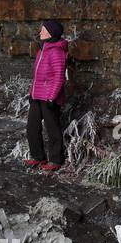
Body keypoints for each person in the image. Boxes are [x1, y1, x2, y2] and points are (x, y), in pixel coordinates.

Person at [24, 20, 68, 173]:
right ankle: (38, 157)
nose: (40, 32)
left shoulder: (57, 52)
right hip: (37, 96)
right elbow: (36, 77)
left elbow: (59, 77)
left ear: (51, 33)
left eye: (43, 30)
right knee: (32, 128)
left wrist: (52, 97)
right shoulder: (41, 50)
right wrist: (31, 93)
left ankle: (56, 160)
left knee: (52, 129)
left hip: (49, 98)